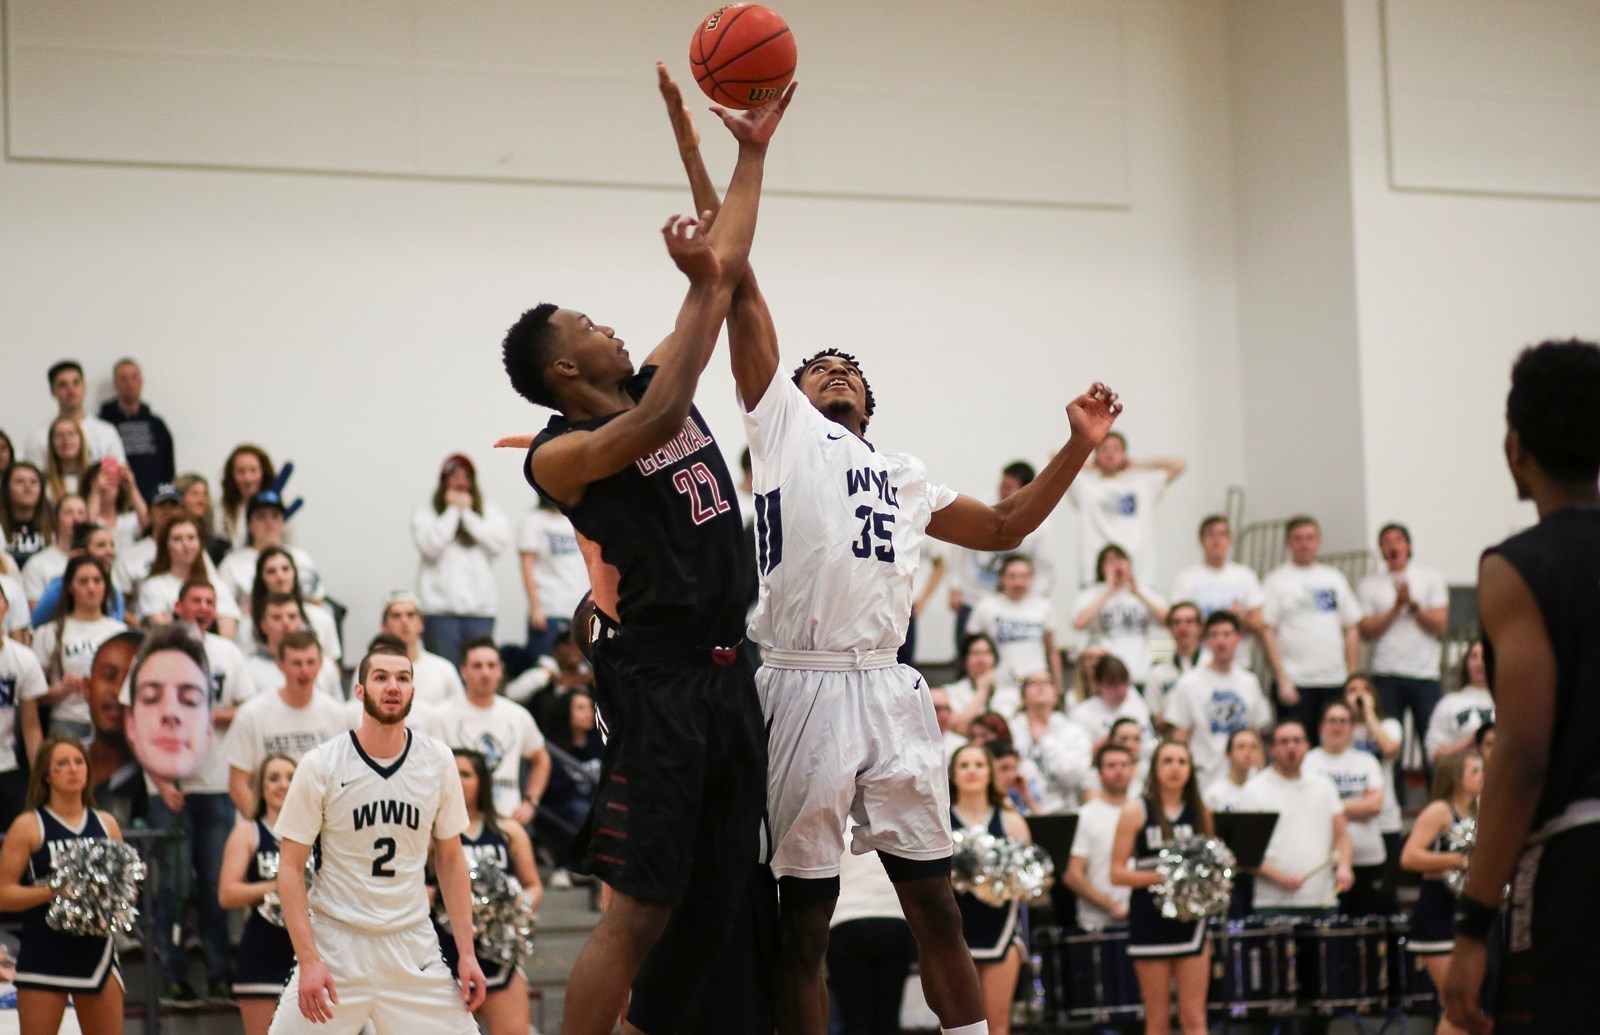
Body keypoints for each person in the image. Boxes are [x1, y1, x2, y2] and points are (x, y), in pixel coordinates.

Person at [652, 63, 1116, 1035]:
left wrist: (1076, 444)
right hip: (802, 681)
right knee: (805, 921)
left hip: (889, 685)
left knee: (936, 905)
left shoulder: (902, 471)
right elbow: (736, 285)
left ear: (869, 404)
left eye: (849, 369)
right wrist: (732, 156)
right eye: (820, 365)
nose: (835, 371)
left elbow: (1005, 528)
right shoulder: (781, 430)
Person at [497, 80, 792, 1035]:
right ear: (566, 370)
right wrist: (701, 282)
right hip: (661, 681)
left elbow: (732, 259)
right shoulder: (562, 455)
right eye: (590, 328)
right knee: (641, 910)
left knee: (715, 905)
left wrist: (750, 154)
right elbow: (664, 411)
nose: (611, 327)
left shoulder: (656, 374)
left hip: (727, 672)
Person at [1442, 340, 1600, 1033]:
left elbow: (1524, 752)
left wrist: (1473, 923)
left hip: (1578, 864)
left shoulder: (1518, 567)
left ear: (1516, 445)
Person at [267, 642, 486, 1032]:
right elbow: (289, 867)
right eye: (381, 677)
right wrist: (309, 959)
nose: (393, 686)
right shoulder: (321, 763)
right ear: (359, 690)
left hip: (411, 944)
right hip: (336, 943)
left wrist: (467, 953)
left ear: (413, 691)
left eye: (403, 678)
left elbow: (451, 859)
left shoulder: (438, 761)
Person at [120, 623, 240, 1001]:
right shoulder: (147, 664)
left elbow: (243, 711)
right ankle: (174, 975)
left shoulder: (223, 657)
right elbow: (133, 724)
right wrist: (161, 778)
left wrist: (207, 716)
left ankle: (220, 973)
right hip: (166, 790)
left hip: (215, 786)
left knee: (214, 885)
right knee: (172, 887)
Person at [0, 737, 126, 1035]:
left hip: (98, 954)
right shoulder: (29, 826)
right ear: (46, 775)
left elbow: (125, 888)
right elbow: (3, 894)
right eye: (62, 764)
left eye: (79, 762)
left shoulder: (107, 824)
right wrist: (57, 892)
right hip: (44, 952)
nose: (73, 770)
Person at [433, 749, 544, 1035]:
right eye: (452, 774)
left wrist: (509, 907)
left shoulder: (508, 831)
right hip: (445, 953)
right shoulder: (430, 831)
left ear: (482, 781)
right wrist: (438, 898)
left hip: (498, 955)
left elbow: (533, 884)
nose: (458, 781)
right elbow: (414, 884)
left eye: (466, 774)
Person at [1110, 739, 1212, 1035]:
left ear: (1191, 769)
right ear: (1154, 769)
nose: (1175, 768)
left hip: (1190, 920)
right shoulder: (1135, 811)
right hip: (1149, 917)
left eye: (1182, 761)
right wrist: (1167, 877)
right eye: (1167, 761)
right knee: (1157, 1019)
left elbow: (1213, 867)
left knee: (1193, 1016)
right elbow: (1117, 873)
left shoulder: (1201, 814)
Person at [948, 745, 1031, 1035]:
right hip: (952, 935)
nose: (972, 771)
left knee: (998, 1027)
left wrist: (993, 882)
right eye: (964, 765)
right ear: (952, 775)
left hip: (1001, 931)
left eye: (979, 765)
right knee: (958, 1028)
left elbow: (1029, 883)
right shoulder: (939, 822)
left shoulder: (1012, 822)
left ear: (990, 773)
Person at [222, 629, 347, 817]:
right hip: (268, 829)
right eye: (296, 663)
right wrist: (266, 829)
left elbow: (343, 780)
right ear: (280, 665)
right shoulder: (252, 714)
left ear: (321, 664)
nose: (304, 670)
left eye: (310, 662)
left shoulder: (336, 714)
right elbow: (237, 784)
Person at [1401, 751, 1481, 1035]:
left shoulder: (1478, 811)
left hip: (1466, 912)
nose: (1482, 775)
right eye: (1475, 770)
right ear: (1457, 778)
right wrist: (1458, 861)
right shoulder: (1439, 811)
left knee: (1472, 1007)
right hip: (1437, 912)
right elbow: (1409, 857)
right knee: (1456, 1007)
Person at [1261, 516, 1362, 740]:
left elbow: (1351, 626)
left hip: (1334, 679)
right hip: (1296, 682)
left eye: (1309, 538)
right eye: (1297, 539)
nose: (1304, 544)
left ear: (1318, 541)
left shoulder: (1333, 578)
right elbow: (1267, 630)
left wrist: (1351, 678)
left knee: (1334, 745)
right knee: (1295, 746)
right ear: (1288, 543)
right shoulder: (1276, 580)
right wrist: (1281, 678)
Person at [1358, 522, 1450, 765]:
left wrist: (1412, 604)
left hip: (1424, 673)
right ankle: (1395, 800)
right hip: (1386, 673)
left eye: (1398, 539)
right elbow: (1366, 631)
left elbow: (1440, 624)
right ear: (1381, 549)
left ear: (1408, 545)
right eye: (1386, 541)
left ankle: (1437, 798)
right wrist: (1396, 607)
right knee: (1390, 740)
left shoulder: (1430, 577)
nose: (1392, 545)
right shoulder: (1370, 584)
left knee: (1431, 741)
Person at [219, 754, 298, 1035]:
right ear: (261, 789)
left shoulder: (316, 834)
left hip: (308, 953)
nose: (283, 785)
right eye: (273, 778)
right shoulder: (247, 832)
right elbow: (227, 894)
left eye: (290, 777)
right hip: (262, 951)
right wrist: (278, 887)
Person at [432, 637, 549, 823]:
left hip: (508, 819)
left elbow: (540, 758)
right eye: (477, 666)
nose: (485, 673)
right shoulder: (440, 716)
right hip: (457, 823)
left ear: (501, 671)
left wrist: (530, 802)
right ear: (463, 671)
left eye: (491, 665)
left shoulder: (518, 715)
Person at [412, 454, 511, 667]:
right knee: (444, 672)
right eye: (453, 476)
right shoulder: (426, 514)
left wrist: (466, 513)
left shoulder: (489, 512)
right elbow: (430, 547)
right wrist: (452, 511)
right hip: (439, 613)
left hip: (481, 612)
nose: (459, 481)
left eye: (465, 476)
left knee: (477, 673)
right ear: (443, 481)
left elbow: (497, 544)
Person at [1244, 720, 1354, 912]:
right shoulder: (1254, 790)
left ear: (1307, 746)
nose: (1291, 747)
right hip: (1272, 901)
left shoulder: (1324, 785)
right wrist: (1280, 878)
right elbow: (1248, 851)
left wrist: (1344, 867)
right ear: (1272, 749)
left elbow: (1341, 836)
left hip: (1321, 898)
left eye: (1297, 740)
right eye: (1284, 741)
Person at [946, 460, 1058, 648]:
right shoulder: (981, 507)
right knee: (967, 656)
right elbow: (957, 548)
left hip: (1008, 607)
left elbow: (1045, 570)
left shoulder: (1040, 525)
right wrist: (954, 586)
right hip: (972, 599)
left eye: (1009, 488)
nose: (1003, 492)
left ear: (1026, 489)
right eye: (1002, 485)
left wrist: (1028, 602)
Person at [1304, 700, 1391, 915]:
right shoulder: (1309, 762)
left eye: (1343, 721)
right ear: (1321, 727)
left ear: (1352, 728)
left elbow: (1374, 805)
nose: (1337, 726)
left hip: (1368, 857)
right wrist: (1356, 804)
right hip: (1325, 860)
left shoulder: (1367, 761)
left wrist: (1331, 806)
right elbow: (1310, 808)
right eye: (1332, 721)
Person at [1066, 431, 1185, 588]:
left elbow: (1179, 464)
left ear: (1124, 454)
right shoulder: (1086, 486)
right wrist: (1087, 465)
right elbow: (1055, 457)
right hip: (1095, 576)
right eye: (1104, 449)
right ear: (1096, 454)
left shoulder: (1141, 486)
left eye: (1116, 449)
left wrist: (1136, 464)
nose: (1110, 454)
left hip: (1138, 575)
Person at [1166, 611, 1271, 785]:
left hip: (1244, 778)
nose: (1221, 641)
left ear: (1238, 638)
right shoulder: (1189, 683)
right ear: (1206, 640)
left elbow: (1255, 734)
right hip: (1204, 775)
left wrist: (1260, 776)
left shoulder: (1249, 681)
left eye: (1227, 634)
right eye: (1214, 635)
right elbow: (1180, 736)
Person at [28, 555, 127, 741]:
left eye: (97, 581)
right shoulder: (49, 632)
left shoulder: (120, 632)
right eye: (83, 581)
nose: (91, 587)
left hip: (113, 723)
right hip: (66, 722)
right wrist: (59, 690)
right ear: (70, 587)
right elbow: (33, 696)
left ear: (106, 586)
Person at [828, 831, 917, 1035]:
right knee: (888, 1019)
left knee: (855, 1021)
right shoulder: (896, 822)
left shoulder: (838, 821)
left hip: (846, 920)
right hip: (894, 919)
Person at [1071, 544, 1169, 689]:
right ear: (1101, 568)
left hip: (1141, 670)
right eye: (1110, 561)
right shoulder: (1092, 593)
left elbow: (1168, 620)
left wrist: (1138, 592)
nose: (1116, 565)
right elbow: (1079, 623)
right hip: (1107, 674)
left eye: (1121, 560)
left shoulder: (1144, 591)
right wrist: (1108, 591)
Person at [967, 555, 1064, 690]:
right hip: (997, 684)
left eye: (1024, 577)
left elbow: (1052, 651)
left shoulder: (1044, 607)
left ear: (1031, 579)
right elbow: (970, 650)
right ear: (1001, 578)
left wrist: (1058, 688)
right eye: (1012, 576)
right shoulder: (985, 607)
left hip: (1036, 683)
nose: (1018, 583)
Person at [1065, 743, 1134, 931]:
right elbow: (1073, 874)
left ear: (1134, 770)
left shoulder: (1143, 812)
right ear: (1099, 773)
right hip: (1097, 924)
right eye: (1111, 766)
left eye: (1124, 765)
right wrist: (1112, 906)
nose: (1119, 771)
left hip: (1140, 920)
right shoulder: (1087, 815)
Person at [138, 514, 241, 637]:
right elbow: (162, 631)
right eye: (177, 539)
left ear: (199, 544)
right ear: (166, 545)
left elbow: (227, 634)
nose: (186, 545)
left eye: (191, 538)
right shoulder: (154, 586)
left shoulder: (217, 586)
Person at [219, 490, 322, 612]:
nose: (269, 522)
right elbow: (224, 609)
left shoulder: (301, 557)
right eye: (261, 517)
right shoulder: (232, 563)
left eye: (275, 516)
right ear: (249, 525)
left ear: (283, 522)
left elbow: (317, 601)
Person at [538, 688, 604, 881]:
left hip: (591, 802)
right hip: (562, 806)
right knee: (580, 810)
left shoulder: (599, 743)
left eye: (590, 708)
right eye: (581, 708)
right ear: (567, 712)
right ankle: (564, 865)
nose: (589, 713)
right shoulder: (555, 746)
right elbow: (554, 789)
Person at [239, 546, 341, 663]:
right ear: (261, 578)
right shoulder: (247, 623)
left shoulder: (321, 617)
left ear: (295, 573)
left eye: (285, 569)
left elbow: (332, 667)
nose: (280, 577)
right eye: (271, 571)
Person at [518, 494, 588, 662]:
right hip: (549, 608)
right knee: (545, 666)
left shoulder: (580, 518)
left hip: (579, 608)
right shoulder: (534, 520)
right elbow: (527, 565)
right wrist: (536, 606)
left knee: (583, 667)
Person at [1169, 515, 1267, 634]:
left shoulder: (1245, 575)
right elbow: (1179, 624)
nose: (1216, 541)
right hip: (1203, 651)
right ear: (1201, 541)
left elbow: (1259, 624)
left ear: (1230, 540)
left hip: (1239, 651)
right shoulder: (1186, 578)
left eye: (1222, 535)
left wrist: (1240, 617)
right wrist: (1220, 620)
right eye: (1210, 535)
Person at [1011, 671, 1092, 813]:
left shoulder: (1074, 731)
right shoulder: (1011, 730)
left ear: (1056, 697)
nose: (1040, 687)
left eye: (1047, 683)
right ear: (1022, 697)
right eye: (1034, 683)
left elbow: (1075, 776)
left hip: (1064, 811)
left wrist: (1045, 740)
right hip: (1019, 810)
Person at [97, 357, 176, 504]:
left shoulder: (157, 425)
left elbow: (168, 471)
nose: (130, 384)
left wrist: (165, 500)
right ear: (116, 384)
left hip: (153, 501)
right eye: (123, 378)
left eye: (134, 377)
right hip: (116, 503)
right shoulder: (103, 425)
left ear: (141, 381)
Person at [21, 361, 127, 469]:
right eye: (63, 385)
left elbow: (118, 474)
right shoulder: (39, 437)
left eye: (76, 383)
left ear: (84, 387)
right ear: (53, 391)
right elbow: (33, 480)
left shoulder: (106, 432)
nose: (71, 390)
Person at [0, 583, 46, 826]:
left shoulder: (23, 658)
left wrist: (40, 777)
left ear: (6, 607)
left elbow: (31, 725)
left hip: (7, 765)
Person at [241, 594, 342, 702]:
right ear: (263, 625)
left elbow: (339, 709)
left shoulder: (325, 666)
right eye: (276, 618)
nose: (286, 623)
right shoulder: (249, 668)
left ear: (301, 621)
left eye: (292, 616)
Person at [1069, 654, 1158, 773]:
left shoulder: (1137, 705)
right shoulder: (1081, 713)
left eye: (1123, 683)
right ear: (1097, 684)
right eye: (1112, 684)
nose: (1120, 690)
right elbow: (1079, 758)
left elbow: (1149, 744)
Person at [377, 592, 465, 708]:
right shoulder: (369, 670)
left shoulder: (444, 670)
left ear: (421, 624)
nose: (404, 621)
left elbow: (459, 713)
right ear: (384, 626)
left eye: (410, 615)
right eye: (396, 616)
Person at [1426, 640, 1495, 765]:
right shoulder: (1448, 704)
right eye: (1474, 656)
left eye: (1485, 657)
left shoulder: (1507, 705)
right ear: (1466, 662)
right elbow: (1434, 756)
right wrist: (1470, 742)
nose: (1480, 663)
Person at [20, 494, 86, 610]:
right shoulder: (37, 563)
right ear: (55, 519)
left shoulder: (96, 558)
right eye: (68, 513)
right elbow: (35, 612)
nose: (76, 519)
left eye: (81, 513)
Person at [1144, 601, 1204, 729]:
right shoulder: (1157, 672)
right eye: (1176, 622)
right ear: (1169, 628)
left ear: (1200, 627)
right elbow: (1153, 719)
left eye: (1189, 621)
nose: (1183, 627)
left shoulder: (1211, 667)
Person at [943, 633, 1015, 736]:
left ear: (995, 659)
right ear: (965, 660)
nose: (981, 660)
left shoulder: (1010, 693)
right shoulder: (950, 693)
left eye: (986, 653)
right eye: (976, 654)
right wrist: (982, 691)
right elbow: (961, 728)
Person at [81, 458, 148, 556]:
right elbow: (90, 526)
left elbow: (146, 523)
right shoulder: (88, 516)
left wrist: (132, 487)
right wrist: (96, 490)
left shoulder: (129, 519)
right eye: (106, 476)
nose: (110, 481)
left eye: (115, 478)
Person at [218, 445, 275, 551]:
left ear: (263, 472)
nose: (248, 478)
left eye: (253, 471)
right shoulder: (222, 509)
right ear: (232, 476)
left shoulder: (277, 508)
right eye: (241, 472)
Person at [3, 462, 53, 570]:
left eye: (33, 482)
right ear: (6, 488)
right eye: (20, 481)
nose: (27, 487)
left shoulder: (54, 526)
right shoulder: (0, 528)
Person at [1201, 727, 1263, 813]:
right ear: (1228, 754)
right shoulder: (1214, 794)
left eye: (1253, 747)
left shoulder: (1263, 789)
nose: (1248, 752)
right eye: (1241, 747)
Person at [41, 417, 89, 505]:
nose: (66, 440)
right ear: (52, 443)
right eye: (59, 435)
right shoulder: (43, 482)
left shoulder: (93, 479)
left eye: (71, 434)